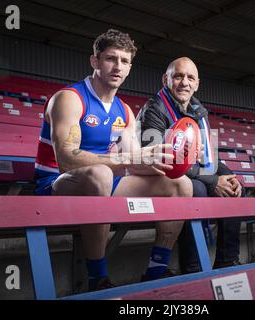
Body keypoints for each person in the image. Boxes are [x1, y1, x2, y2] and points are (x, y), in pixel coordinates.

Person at [34, 30, 192, 291]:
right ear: (95, 62)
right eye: (111, 58)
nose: (118, 66)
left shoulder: (124, 111)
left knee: (180, 184)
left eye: (125, 61)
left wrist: (167, 159)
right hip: (55, 184)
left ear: (130, 68)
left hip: (104, 184)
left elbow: (132, 162)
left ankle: (155, 272)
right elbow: (67, 160)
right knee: (101, 175)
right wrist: (133, 157)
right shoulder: (69, 99)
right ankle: (98, 279)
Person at [137, 57, 242, 274]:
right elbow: (161, 159)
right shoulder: (155, 109)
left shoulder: (199, 112)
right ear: (165, 80)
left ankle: (227, 261)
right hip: (157, 177)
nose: (184, 82)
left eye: (190, 78)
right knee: (198, 189)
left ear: (197, 84)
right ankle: (192, 266)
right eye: (178, 76)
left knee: (232, 189)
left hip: (190, 173)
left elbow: (211, 155)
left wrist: (229, 176)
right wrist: (213, 180)